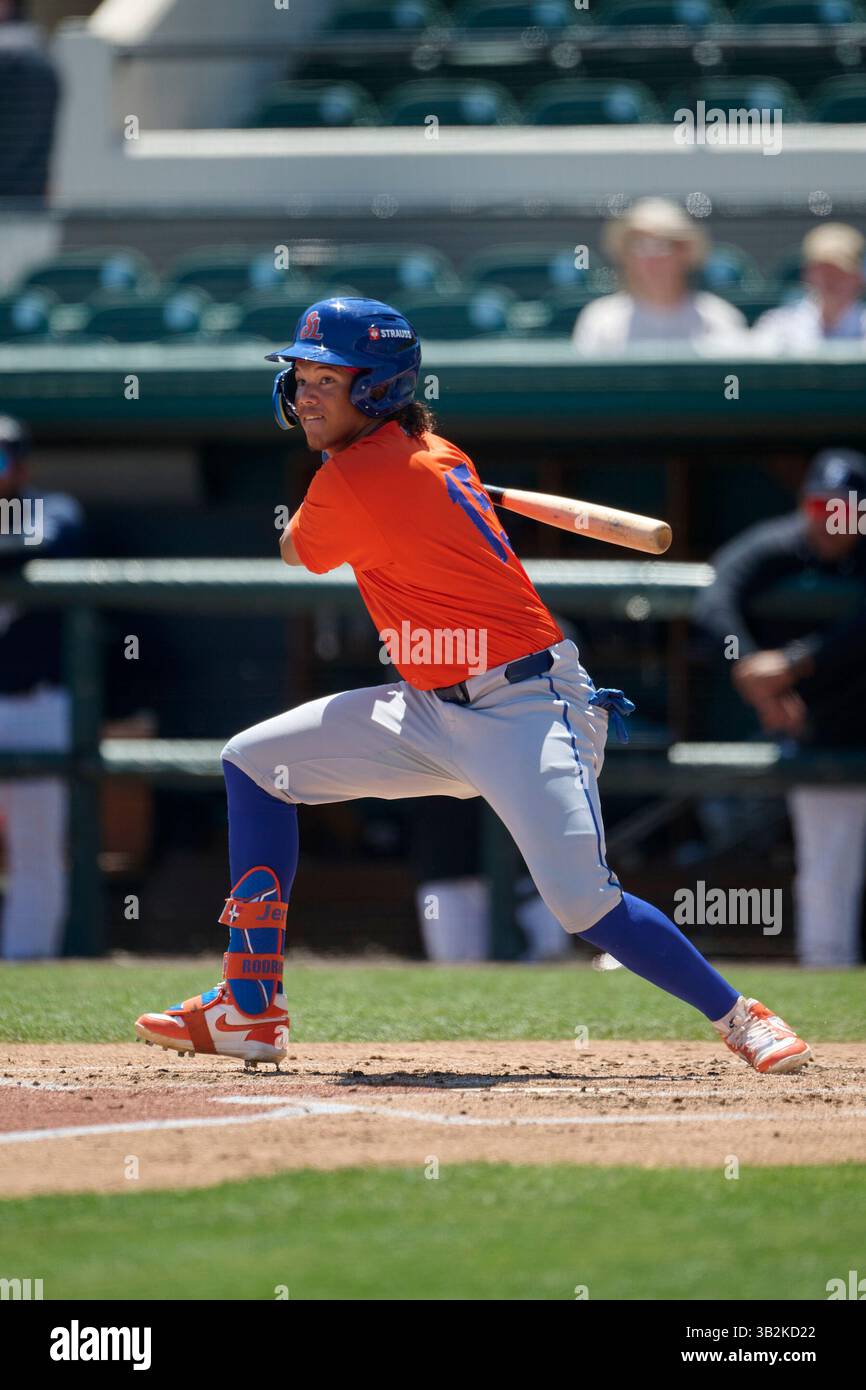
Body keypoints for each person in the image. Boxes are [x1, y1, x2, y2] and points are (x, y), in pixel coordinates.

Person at [135, 297, 811, 1075]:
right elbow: (398, 496)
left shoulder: (375, 473)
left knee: (582, 903)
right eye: (302, 374)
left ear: (380, 390)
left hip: (527, 706)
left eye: (330, 377)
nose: (307, 391)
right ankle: (249, 1005)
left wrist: (360, 480)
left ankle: (742, 1016)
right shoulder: (435, 455)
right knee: (255, 763)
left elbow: (295, 549)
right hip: (425, 707)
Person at [693, 448, 866, 967]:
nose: (833, 522)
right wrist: (755, 673)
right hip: (826, 731)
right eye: (822, 508)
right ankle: (829, 974)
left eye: (847, 510)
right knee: (827, 869)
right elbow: (713, 596)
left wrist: (796, 663)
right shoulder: (780, 545)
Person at [0, 416, 84, 958]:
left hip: (31, 705)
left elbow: (51, 541)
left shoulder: (52, 508)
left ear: (22, 466)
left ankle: (27, 967)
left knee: (36, 853)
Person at [572, 198, 747, 353]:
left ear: (684, 253)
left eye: (663, 245)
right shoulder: (600, 321)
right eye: (640, 245)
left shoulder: (719, 318)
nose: (652, 256)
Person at [751, 223, 866, 352]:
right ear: (807, 274)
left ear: (858, 277)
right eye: (821, 270)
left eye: (839, 271)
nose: (830, 279)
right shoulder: (779, 326)